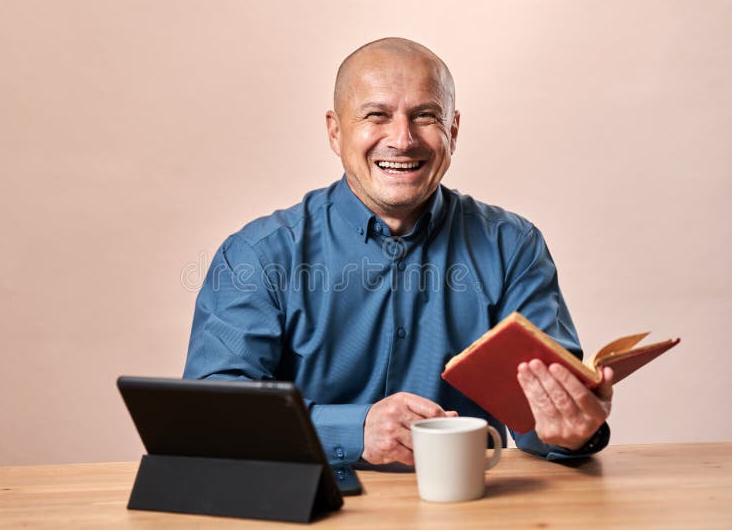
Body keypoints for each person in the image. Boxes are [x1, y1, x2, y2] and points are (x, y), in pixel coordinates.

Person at [184, 37, 613, 466]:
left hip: (470, 509)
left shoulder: (512, 247)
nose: (403, 139)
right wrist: (354, 430)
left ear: (454, 131)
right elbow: (209, 418)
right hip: (308, 511)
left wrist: (573, 432)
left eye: (425, 116)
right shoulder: (258, 255)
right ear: (335, 132)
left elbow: (544, 421)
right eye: (377, 115)